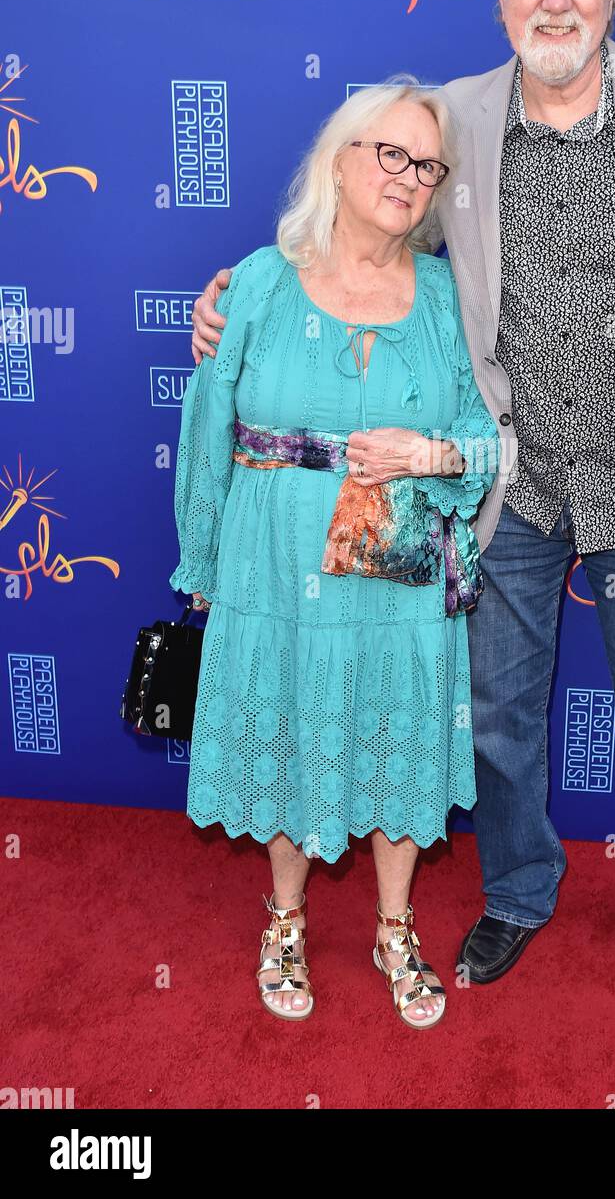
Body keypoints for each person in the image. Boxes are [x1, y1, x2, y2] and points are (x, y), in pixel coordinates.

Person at [192, 0, 615, 1015]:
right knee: (500, 717)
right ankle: (514, 890)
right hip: (501, 482)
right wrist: (237, 297)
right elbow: (360, 234)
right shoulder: (448, 117)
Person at [170, 79, 500, 1029]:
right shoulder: (260, 282)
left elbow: (487, 439)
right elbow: (209, 420)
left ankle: (396, 927)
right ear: (340, 161)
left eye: (426, 164)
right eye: (389, 153)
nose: (407, 176)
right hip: (275, 566)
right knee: (284, 723)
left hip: (398, 561)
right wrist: (202, 558)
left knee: (398, 725)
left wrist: (429, 454)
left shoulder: (445, 298)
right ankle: (285, 918)